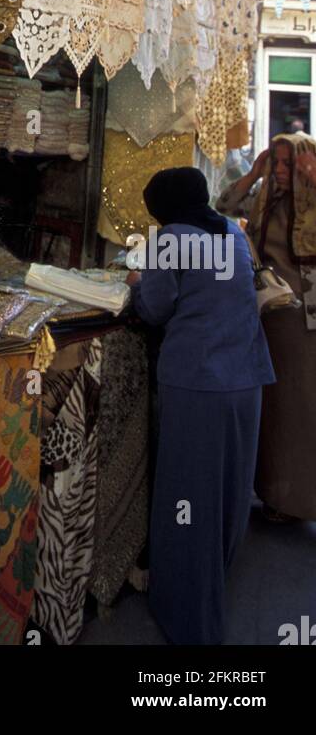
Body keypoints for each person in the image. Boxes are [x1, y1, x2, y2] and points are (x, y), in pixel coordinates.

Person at [126, 166, 274, 645]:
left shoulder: (171, 239)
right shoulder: (231, 232)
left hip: (198, 383)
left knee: (187, 498)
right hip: (245, 379)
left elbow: (154, 308)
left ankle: (189, 619)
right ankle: (214, 585)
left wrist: (134, 283)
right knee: (228, 492)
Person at [217, 131, 316, 522]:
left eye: (286, 164)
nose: (278, 171)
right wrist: (253, 173)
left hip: (304, 326)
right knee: (273, 411)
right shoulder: (266, 200)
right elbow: (223, 205)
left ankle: (301, 502)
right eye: (274, 162)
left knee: (301, 411)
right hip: (269, 318)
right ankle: (276, 496)